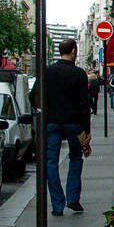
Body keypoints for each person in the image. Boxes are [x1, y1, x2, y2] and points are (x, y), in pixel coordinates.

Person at [30, 39, 91, 216]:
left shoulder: (47, 71)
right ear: (73, 51)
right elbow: (84, 104)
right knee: (75, 158)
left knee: (51, 162)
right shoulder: (79, 74)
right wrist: (87, 130)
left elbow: (33, 96)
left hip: (51, 122)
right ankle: (73, 198)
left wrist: (44, 113)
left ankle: (57, 204)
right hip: (74, 122)